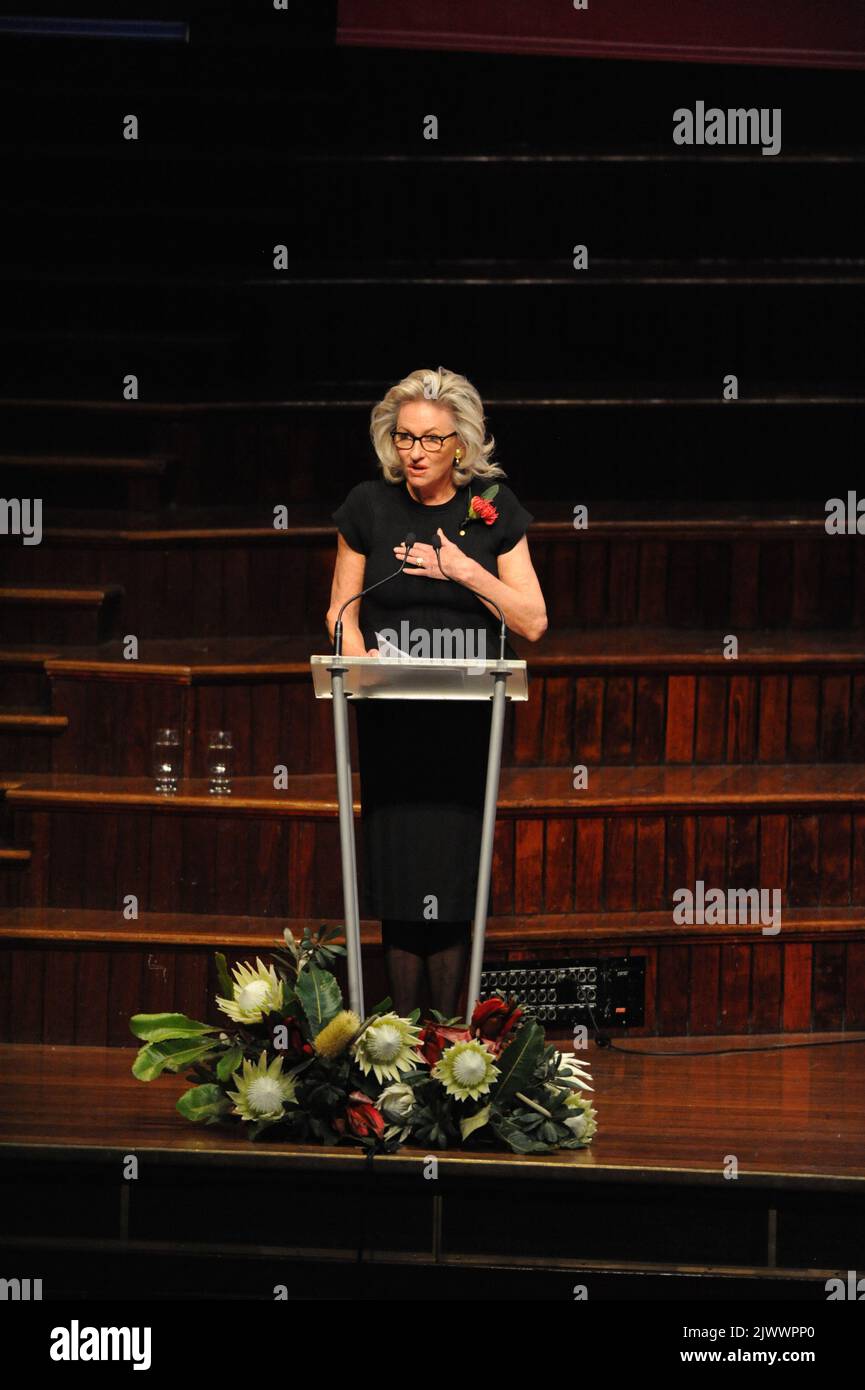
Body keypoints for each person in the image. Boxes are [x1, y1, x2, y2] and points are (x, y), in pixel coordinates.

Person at [326, 366, 547, 1019]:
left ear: (460, 445)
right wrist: (362, 665)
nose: (415, 453)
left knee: (449, 880)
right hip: (391, 723)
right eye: (404, 438)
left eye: (430, 440)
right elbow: (342, 613)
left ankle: (446, 1037)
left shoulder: (492, 507)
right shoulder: (367, 505)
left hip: (464, 725)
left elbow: (531, 620)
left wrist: (463, 568)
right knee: (398, 878)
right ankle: (396, 1043)